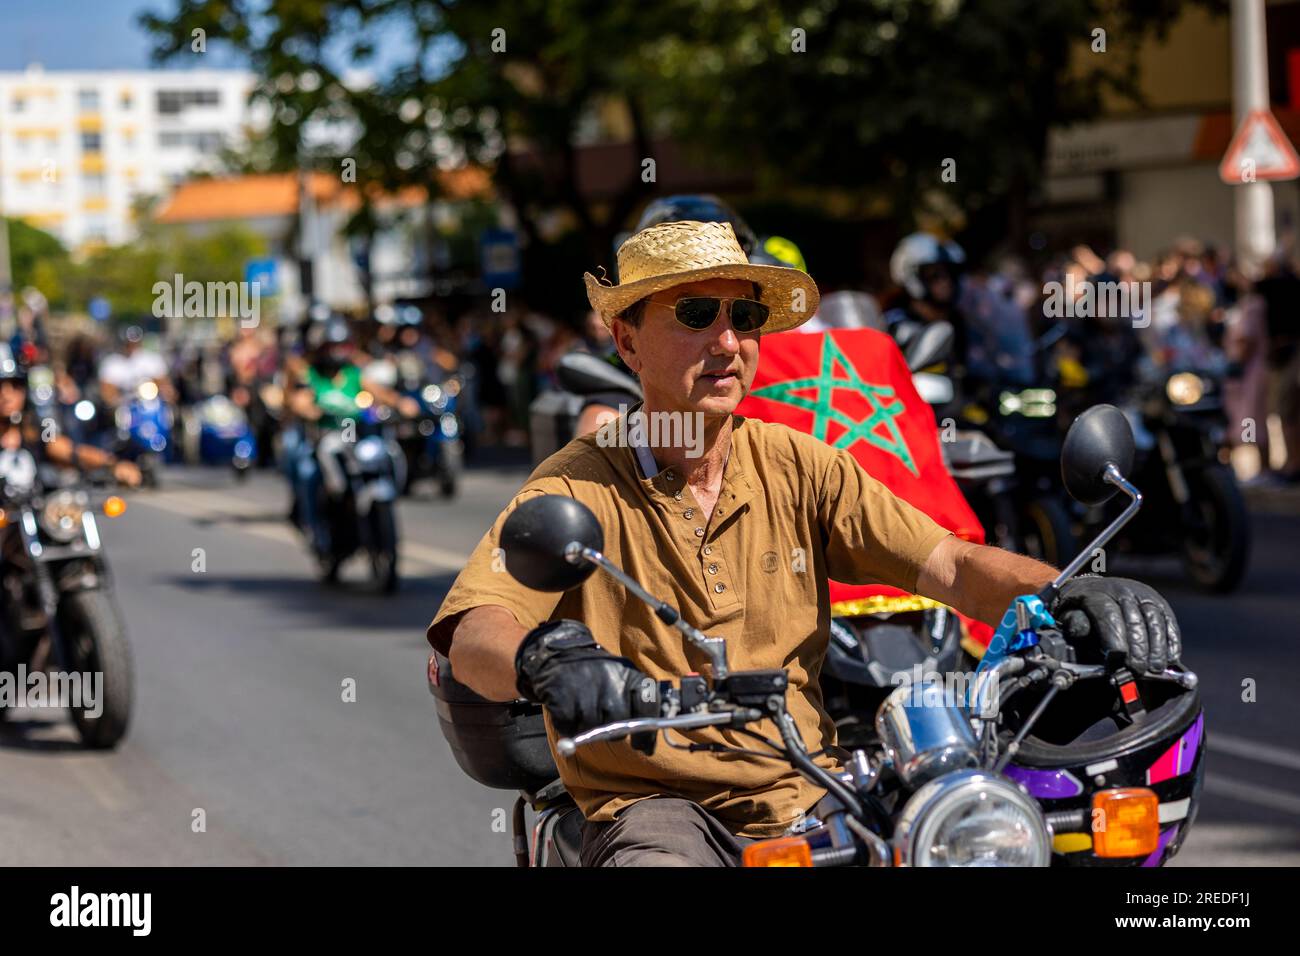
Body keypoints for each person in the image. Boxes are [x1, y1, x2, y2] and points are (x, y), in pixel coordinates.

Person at [427, 220, 1183, 867]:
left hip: (806, 789)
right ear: (626, 339)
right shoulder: (574, 484)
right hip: (656, 803)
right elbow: (477, 628)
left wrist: (1068, 594)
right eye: (695, 312)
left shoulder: (798, 462)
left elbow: (948, 562)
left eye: (745, 317)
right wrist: (547, 661)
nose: (727, 341)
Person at [284, 315, 418, 554]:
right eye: (332, 346)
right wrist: (307, 409)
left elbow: (380, 392)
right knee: (308, 474)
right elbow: (298, 401)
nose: (337, 352)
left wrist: (402, 404)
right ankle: (316, 530)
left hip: (357, 440)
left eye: (341, 346)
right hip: (324, 442)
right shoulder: (312, 375)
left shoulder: (353, 374)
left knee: (385, 452)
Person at [0, 345, 140, 487]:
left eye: (15, 385)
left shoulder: (39, 423)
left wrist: (111, 464)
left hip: (31, 506)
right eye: (0, 386)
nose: (6, 395)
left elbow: (64, 449)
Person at [97, 325, 175, 406]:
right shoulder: (111, 362)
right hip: (124, 407)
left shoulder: (152, 359)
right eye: (128, 343)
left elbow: (164, 383)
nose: (131, 346)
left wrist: (166, 392)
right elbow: (107, 390)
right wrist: (115, 399)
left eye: (134, 342)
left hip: (151, 404)